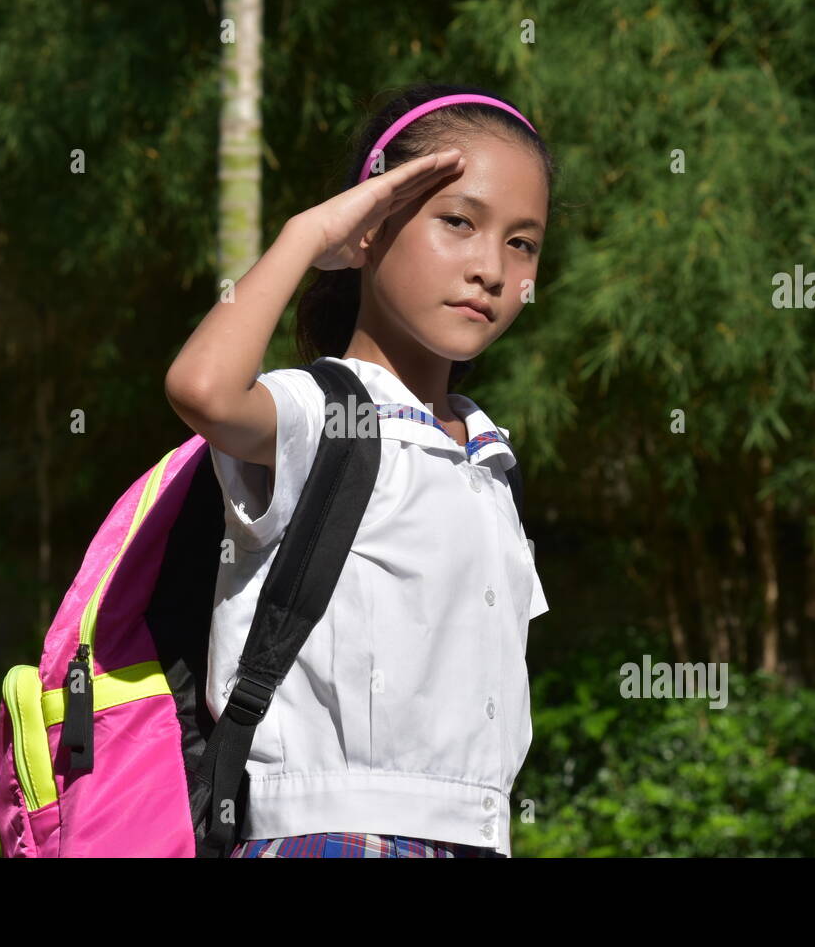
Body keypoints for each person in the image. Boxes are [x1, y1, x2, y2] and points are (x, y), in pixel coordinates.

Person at [165, 82, 555, 858]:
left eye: (522, 243)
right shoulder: (325, 412)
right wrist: (304, 237)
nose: (490, 268)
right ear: (370, 225)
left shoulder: (490, 457)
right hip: (332, 836)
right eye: (458, 222)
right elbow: (202, 389)